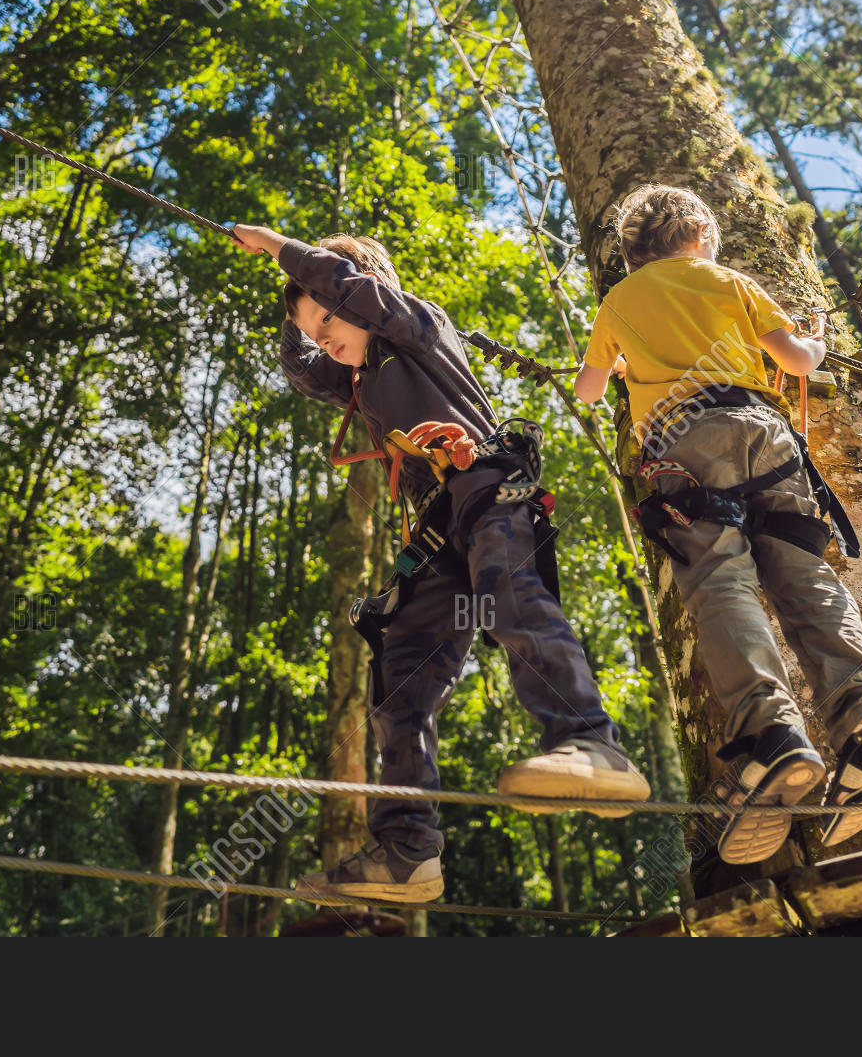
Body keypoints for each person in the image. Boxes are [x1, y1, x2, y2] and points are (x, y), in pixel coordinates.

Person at [230, 223, 649, 904]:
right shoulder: (359, 376)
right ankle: (407, 847)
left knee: (509, 595)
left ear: (366, 293)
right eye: (314, 328)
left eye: (328, 319)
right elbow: (303, 371)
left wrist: (281, 247)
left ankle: (589, 742)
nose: (323, 338)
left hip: (486, 490)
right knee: (399, 674)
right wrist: (293, 308)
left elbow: (351, 291)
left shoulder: (417, 328)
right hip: (436, 528)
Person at [573, 185, 862, 861]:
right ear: (700, 235)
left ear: (633, 255)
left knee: (719, 578)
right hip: (765, 434)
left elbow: (588, 391)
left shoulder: (617, 302)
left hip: (683, 447)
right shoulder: (731, 282)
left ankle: (773, 734)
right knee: (804, 571)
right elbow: (797, 361)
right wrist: (815, 342)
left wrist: (621, 364)